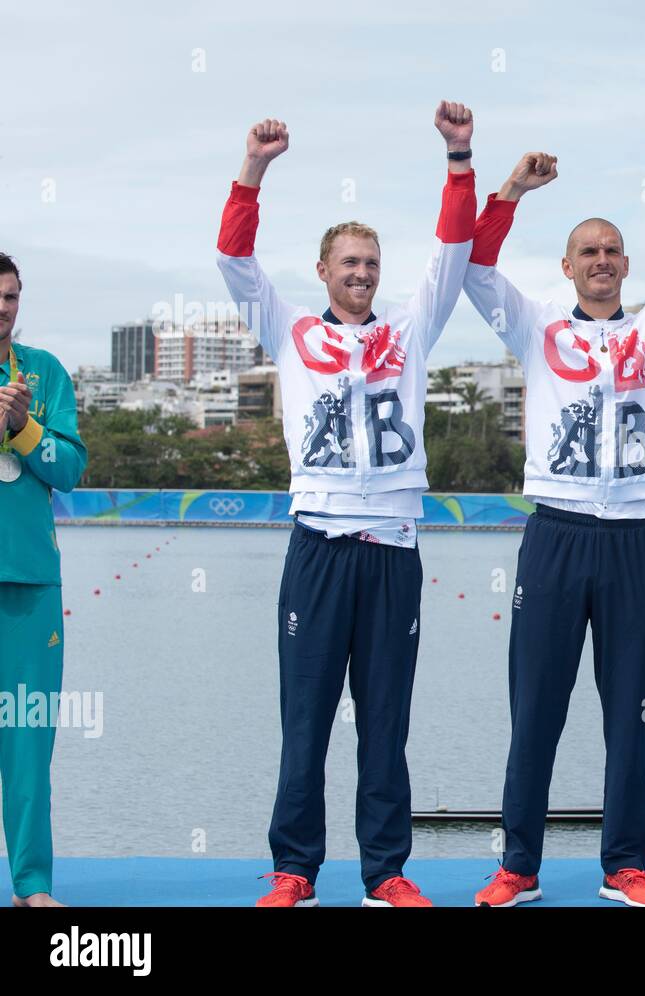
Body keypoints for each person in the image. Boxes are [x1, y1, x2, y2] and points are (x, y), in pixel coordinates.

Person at [463, 147, 645, 907]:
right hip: (555, 534)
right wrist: (511, 188)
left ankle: (624, 865)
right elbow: (474, 269)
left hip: (634, 541)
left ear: (626, 264)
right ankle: (519, 866)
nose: (601, 260)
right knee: (536, 711)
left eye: (613, 250)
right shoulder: (536, 329)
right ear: (565, 264)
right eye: (588, 250)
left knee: (632, 712)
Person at [215, 102, 477, 907]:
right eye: (349, 264)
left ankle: (386, 872)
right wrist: (253, 170)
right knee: (307, 722)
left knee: (385, 725)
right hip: (319, 548)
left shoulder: (411, 331)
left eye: (371, 264)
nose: (362, 275)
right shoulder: (291, 330)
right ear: (324, 272)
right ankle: (295, 869)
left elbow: (455, 251)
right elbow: (232, 257)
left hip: (394, 549)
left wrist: (459, 157)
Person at [0, 252, 87, 907]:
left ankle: (32, 886)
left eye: (11, 296)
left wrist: (23, 425)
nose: (4, 306)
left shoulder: (45, 372)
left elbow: (69, 471)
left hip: (30, 587)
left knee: (28, 747)